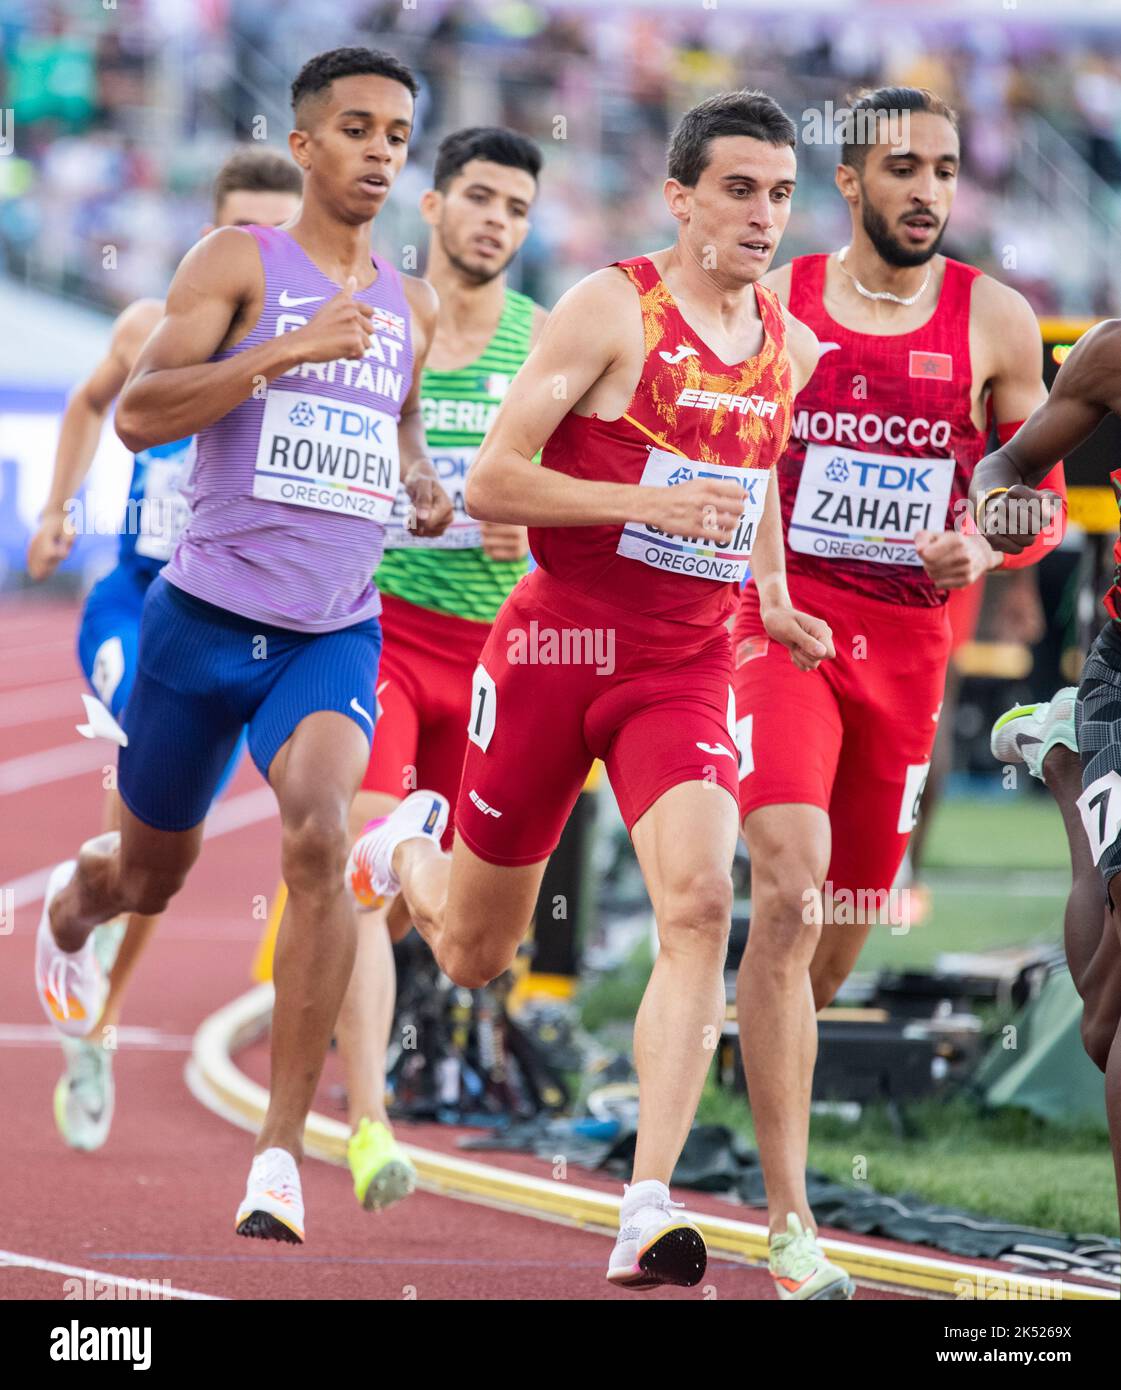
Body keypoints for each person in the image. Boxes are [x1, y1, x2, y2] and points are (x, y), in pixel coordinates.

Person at [347, 88, 833, 1289]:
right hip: (556, 647)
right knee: (468, 948)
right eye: (736, 189)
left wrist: (766, 591)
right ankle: (402, 849)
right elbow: (496, 484)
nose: (762, 215)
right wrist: (642, 504)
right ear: (679, 196)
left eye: (778, 193)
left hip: (682, 665)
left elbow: (751, 481)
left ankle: (646, 1203)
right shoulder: (610, 306)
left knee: (697, 910)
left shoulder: (790, 342)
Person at [33, 45, 453, 1244]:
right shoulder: (235, 262)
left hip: (332, 627)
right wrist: (277, 352)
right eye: (357, 130)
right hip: (200, 620)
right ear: (306, 144)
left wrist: (419, 482)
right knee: (145, 876)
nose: (379, 151)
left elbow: (402, 427)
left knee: (320, 831)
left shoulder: (404, 301)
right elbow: (140, 410)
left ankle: (278, 1154)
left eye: (396, 133)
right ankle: (71, 908)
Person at [732, 86, 1067, 1299]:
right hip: (782, 629)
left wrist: (984, 544)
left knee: (833, 939)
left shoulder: (995, 318)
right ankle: (787, 1217)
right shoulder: (781, 304)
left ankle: (752, 1035)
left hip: (905, 660)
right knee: (786, 883)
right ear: (850, 181)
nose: (927, 189)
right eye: (902, 168)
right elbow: (725, 451)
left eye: (944, 167)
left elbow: (1034, 491)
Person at [25, 148, 303, 1152]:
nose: (265, 251)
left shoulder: (309, 351)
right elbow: (94, 401)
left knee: (159, 852)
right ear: (211, 235)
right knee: (130, 806)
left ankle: (97, 1013)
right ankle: (78, 965)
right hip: (139, 602)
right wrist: (58, 508)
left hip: (233, 613)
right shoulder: (153, 325)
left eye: (284, 231)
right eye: (247, 230)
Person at [336, 123, 548, 1212]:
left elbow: (571, 505)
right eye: (476, 198)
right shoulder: (384, 315)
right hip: (379, 629)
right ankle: (368, 1123)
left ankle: (392, 896)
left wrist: (530, 526)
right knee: (354, 880)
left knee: (469, 925)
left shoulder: (547, 340)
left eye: (514, 207)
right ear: (431, 208)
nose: (494, 221)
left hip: (496, 654)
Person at [973, 314, 1121, 1226]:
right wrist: (1001, 506)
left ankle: (1066, 772)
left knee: (1103, 1026)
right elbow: (1005, 466)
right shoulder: (1110, 351)